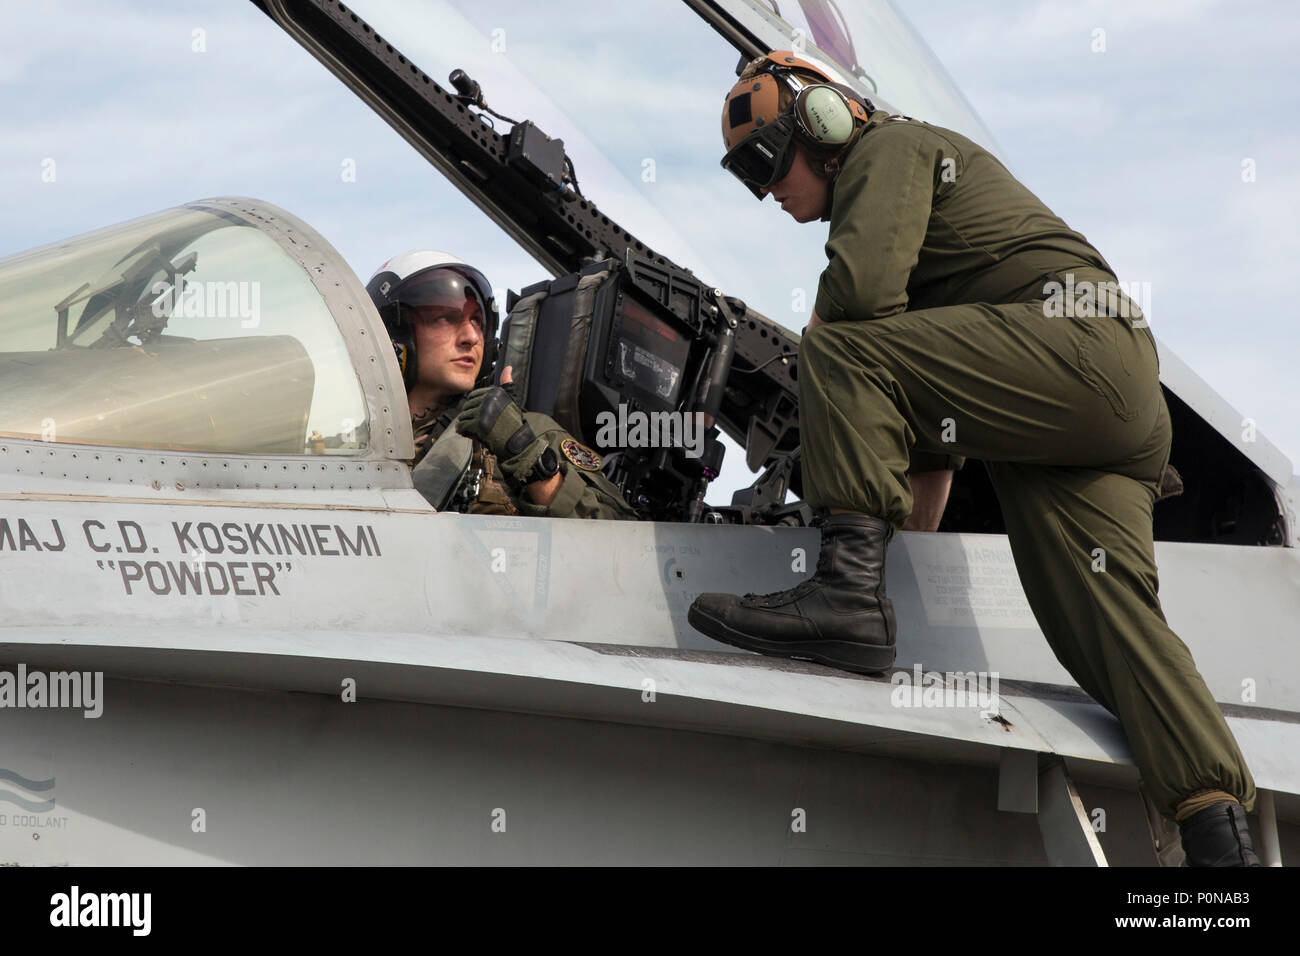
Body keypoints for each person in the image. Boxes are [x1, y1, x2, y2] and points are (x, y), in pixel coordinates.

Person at [689, 52, 1260, 865]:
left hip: (1078, 352)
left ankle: (843, 595)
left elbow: (855, 314)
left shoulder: (889, 149)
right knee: (1104, 624)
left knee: (840, 346)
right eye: (748, 177)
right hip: (1104, 400)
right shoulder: (930, 246)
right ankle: (1218, 838)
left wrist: (849, 587)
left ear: (822, 125)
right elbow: (930, 435)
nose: (767, 188)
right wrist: (898, 567)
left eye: (767, 161)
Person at [366, 250, 636, 520]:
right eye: (446, 318)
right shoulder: (345, 443)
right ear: (396, 331)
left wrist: (522, 450)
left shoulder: (531, 434)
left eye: (477, 321)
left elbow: (623, 538)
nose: (472, 337)